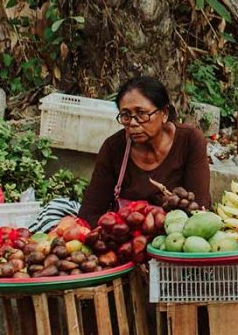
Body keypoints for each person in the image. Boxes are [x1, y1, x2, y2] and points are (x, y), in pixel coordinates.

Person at [79, 75, 211, 225]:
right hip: (128, 240)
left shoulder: (190, 141)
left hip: (176, 238)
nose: (133, 123)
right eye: (126, 115)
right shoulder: (113, 148)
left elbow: (199, 209)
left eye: (141, 113)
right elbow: (90, 213)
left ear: (164, 113)